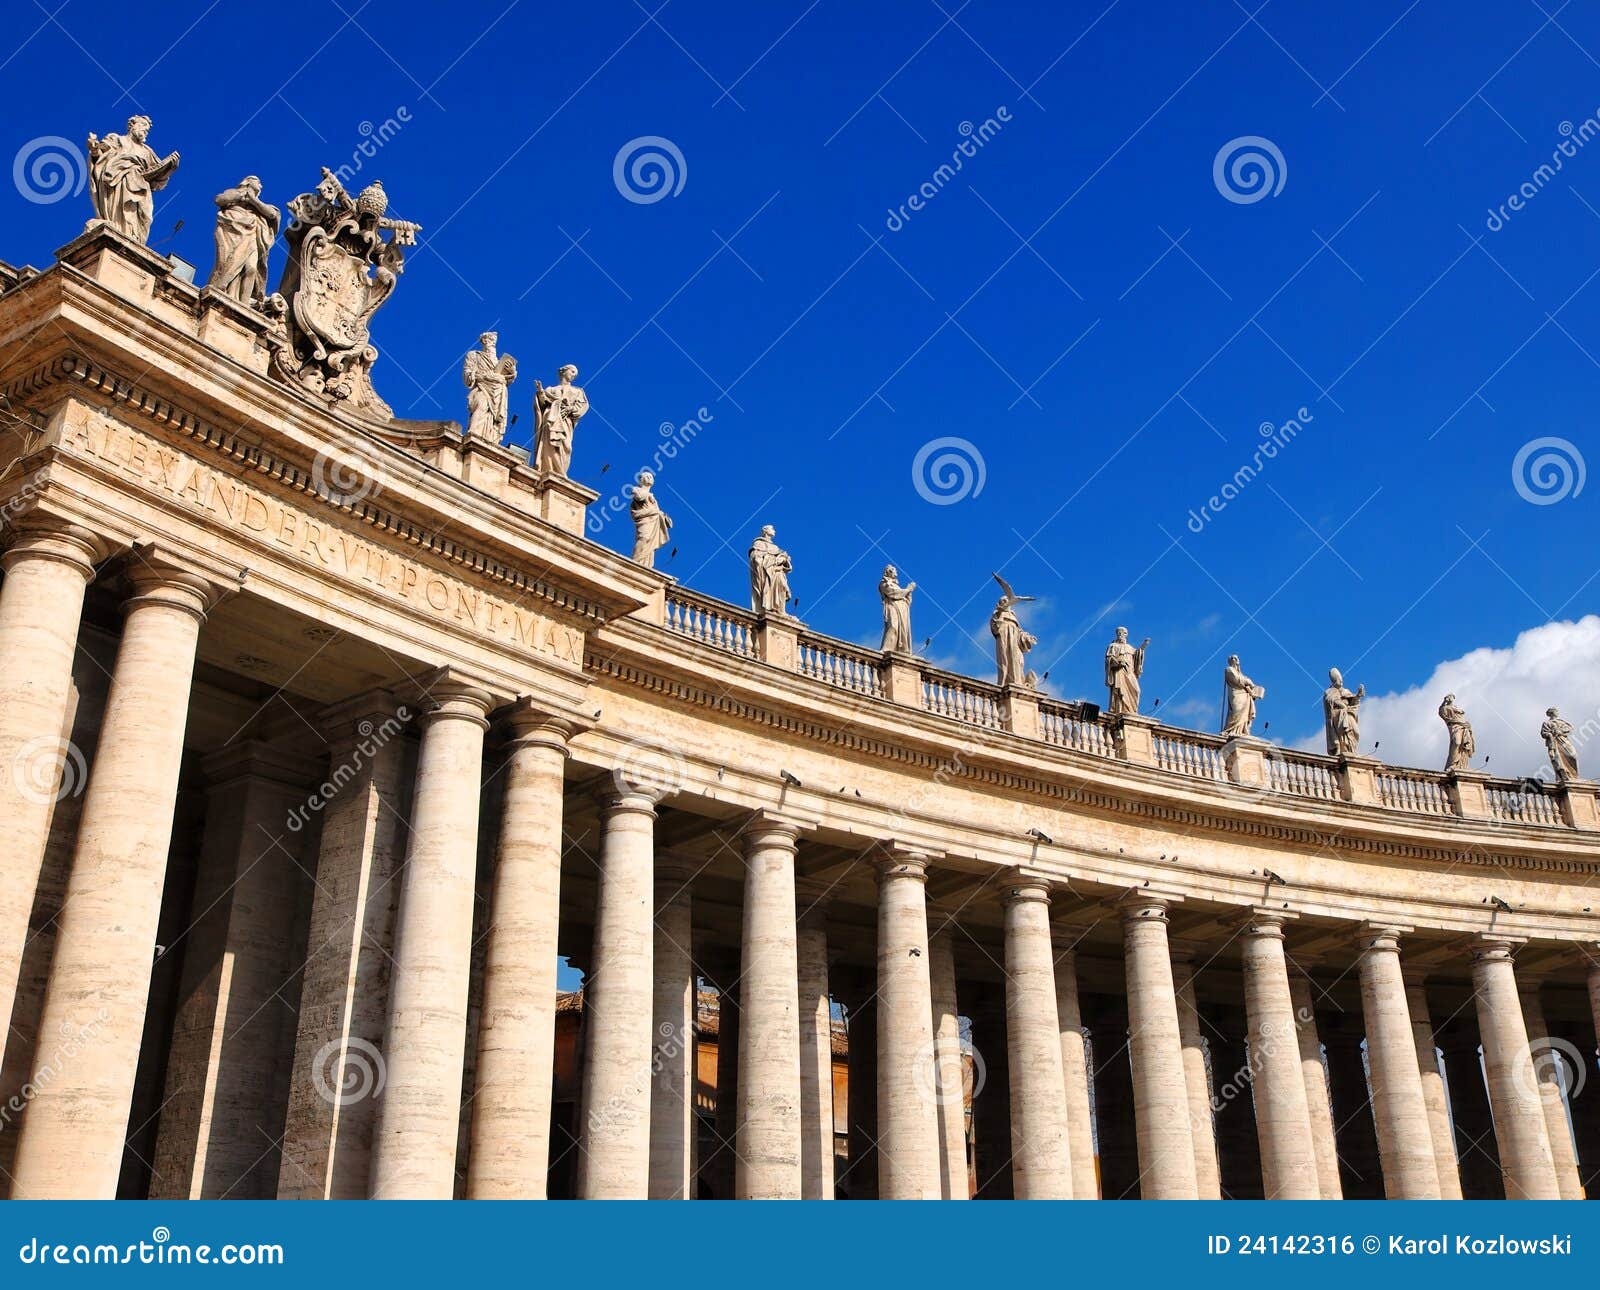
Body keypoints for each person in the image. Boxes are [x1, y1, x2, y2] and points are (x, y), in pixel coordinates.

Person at [87, 115, 179, 245]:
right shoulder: (117, 139)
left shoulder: (148, 152)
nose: (145, 131)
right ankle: (117, 228)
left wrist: (170, 168)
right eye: (142, 127)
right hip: (118, 183)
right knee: (118, 215)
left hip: (141, 189)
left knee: (142, 217)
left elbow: (159, 180)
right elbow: (100, 159)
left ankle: (133, 238)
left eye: (147, 130)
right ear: (131, 125)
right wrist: (95, 149)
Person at [208, 176, 278, 305]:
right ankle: (222, 289)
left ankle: (244, 303)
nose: (261, 186)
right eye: (258, 182)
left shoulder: (258, 205)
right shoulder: (235, 193)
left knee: (251, 268)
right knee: (230, 263)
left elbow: (272, 214)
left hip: (251, 235)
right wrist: (241, 196)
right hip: (233, 231)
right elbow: (219, 199)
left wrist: (252, 200)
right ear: (248, 182)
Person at [462, 332, 518, 443]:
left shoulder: (497, 361)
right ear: (484, 341)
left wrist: (512, 371)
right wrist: (486, 376)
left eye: (493, 342)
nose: (491, 344)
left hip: (498, 392)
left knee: (493, 419)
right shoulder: (474, 355)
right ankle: (473, 436)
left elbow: (506, 379)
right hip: (482, 388)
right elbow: (467, 374)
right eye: (489, 341)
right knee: (481, 406)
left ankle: (490, 440)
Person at [533, 364, 588, 474]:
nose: (574, 376)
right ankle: (547, 468)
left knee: (564, 445)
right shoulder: (550, 389)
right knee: (548, 442)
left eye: (575, 374)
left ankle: (560, 471)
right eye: (572, 372)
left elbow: (583, 406)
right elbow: (542, 403)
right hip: (550, 418)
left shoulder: (577, 391)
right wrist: (540, 392)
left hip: (565, 421)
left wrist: (570, 409)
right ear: (564, 371)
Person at [629, 470, 673, 568]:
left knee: (651, 544)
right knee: (643, 538)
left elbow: (656, 511)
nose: (650, 478)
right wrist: (646, 492)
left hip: (653, 521)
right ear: (641, 480)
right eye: (647, 476)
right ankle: (635, 561)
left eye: (651, 477)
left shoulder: (652, 496)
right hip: (644, 521)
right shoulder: (636, 490)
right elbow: (639, 497)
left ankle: (646, 565)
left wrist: (665, 518)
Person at [1104, 626, 1150, 716]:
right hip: (1120, 671)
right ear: (1117, 634)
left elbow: (1137, 655)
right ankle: (1121, 710)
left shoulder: (1129, 647)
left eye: (1124, 633)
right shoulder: (1112, 646)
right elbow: (1108, 659)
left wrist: (1143, 647)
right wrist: (1118, 662)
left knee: (1137, 690)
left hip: (1130, 672)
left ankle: (1132, 711)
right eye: (1120, 633)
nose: (1121, 635)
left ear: (1126, 635)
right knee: (1120, 692)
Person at [748, 525, 792, 616]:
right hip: (768, 572)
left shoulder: (775, 547)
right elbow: (755, 557)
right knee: (776, 586)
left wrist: (784, 559)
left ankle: (781, 610)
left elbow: (783, 558)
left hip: (777, 571)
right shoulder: (758, 543)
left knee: (783, 586)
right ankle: (770, 608)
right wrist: (773, 560)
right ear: (765, 531)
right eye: (772, 529)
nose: (774, 531)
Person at [1322, 668, 1365, 758]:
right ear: (1334, 681)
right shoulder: (1329, 692)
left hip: (1348, 714)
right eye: (1339, 681)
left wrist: (1358, 695)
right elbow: (1329, 701)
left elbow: (1352, 702)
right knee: (1345, 733)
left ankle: (1351, 750)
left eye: (1342, 680)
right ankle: (1345, 750)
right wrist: (1340, 704)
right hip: (1338, 716)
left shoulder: (1346, 691)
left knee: (1356, 732)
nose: (1341, 683)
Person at [1221, 655, 1263, 737]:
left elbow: (1242, 680)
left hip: (1245, 695)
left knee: (1244, 714)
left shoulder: (1241, 673)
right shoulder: (1229, 669)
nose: (1234, 659)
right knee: (1236, 711)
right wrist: (1248, 681)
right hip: (1236, 694)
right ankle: (1231, 730)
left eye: (1236, 658)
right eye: (1232, 658)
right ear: (1230, 661)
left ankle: (1242, 730)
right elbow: (1238, 680)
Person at [879, 565, 915, 654]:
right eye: (893, 570)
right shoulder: (884, 583)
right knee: (893, 626)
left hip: (902, 609)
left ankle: (901, 649)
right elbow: (893, 593)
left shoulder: (896, 585)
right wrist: (908, 589)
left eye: (895, 571)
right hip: (893, 606)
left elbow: (907, 601)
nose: (896, 572)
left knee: (903, 630)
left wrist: (909, 592)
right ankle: (886, 649)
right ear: (888, 572)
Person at [1438, 694, 1476, 772]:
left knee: (1464, 745)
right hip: (1455, 726)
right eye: (1449, 697)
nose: (1451, 698)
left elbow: (1462, 717)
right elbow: (1441, 713)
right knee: (1457, 742)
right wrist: (1443, 702)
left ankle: (1462, 765)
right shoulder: (1445, 708)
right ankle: (1452, 764)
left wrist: (1467, 725)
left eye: (1452, 697)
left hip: (1464, 726)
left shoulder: (1456, 707)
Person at [1542, 707, 1580, 781]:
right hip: (1554, 742)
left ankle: (1574, 776)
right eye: (1556, 711)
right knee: (1558, 759)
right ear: (1551, 713)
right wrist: (1550, 734)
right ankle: (1565, 776)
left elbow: (1570, 729)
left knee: (1573, 756)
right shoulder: (1547, 723)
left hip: (1564, 741)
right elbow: (1543, 733)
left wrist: (1560, 731)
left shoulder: (1561, 721)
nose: (1557, 712)